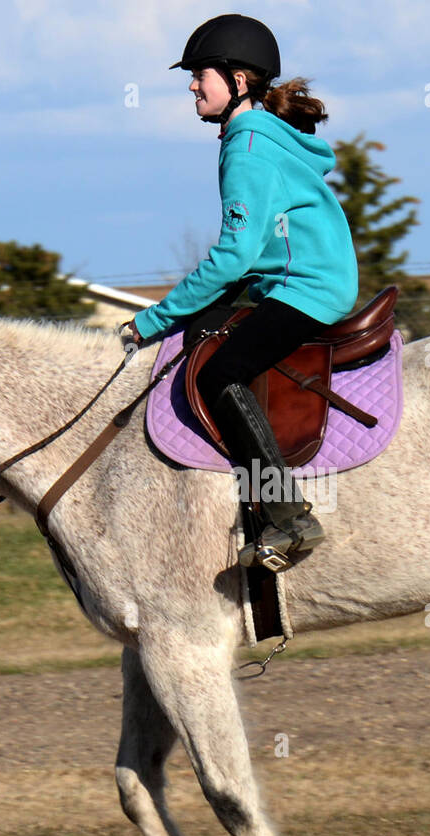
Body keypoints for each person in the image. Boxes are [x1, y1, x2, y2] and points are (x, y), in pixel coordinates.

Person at [118, 14, 359, 571]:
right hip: (297, 282)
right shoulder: (256, 137)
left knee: (218, 373)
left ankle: (287, 515)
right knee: (208, 331)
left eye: (201, 73)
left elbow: (234, 256)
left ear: (239, 82)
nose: (192, 85)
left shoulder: (247, 146)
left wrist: (151, 321)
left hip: (305, 290)